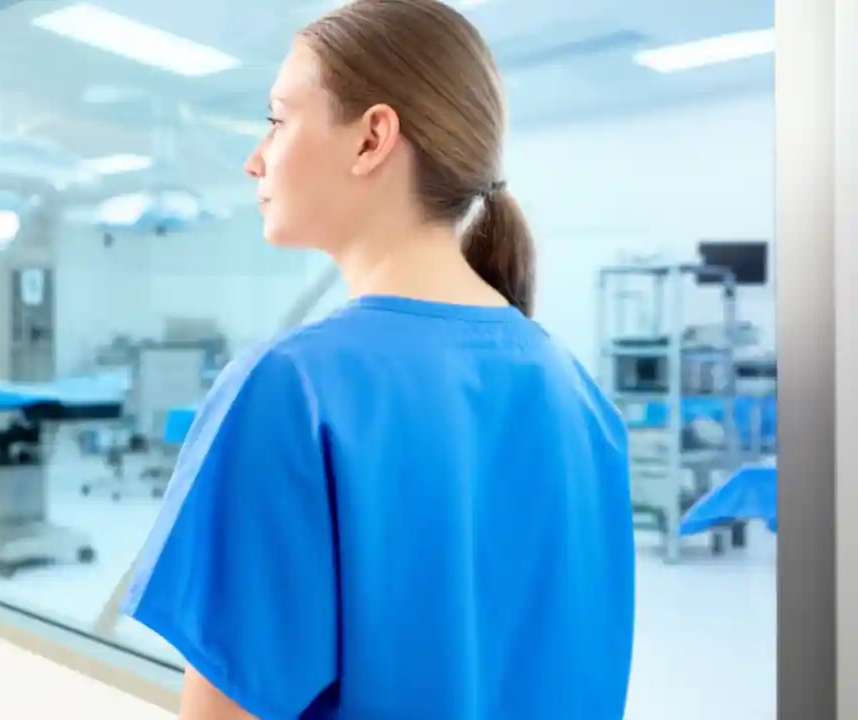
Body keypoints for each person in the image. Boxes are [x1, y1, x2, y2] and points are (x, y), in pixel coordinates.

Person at [120, 1, 635, 717]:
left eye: (277, 120)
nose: (254, 158)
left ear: (371, 139)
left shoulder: (291, 390)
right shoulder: (578, 394)